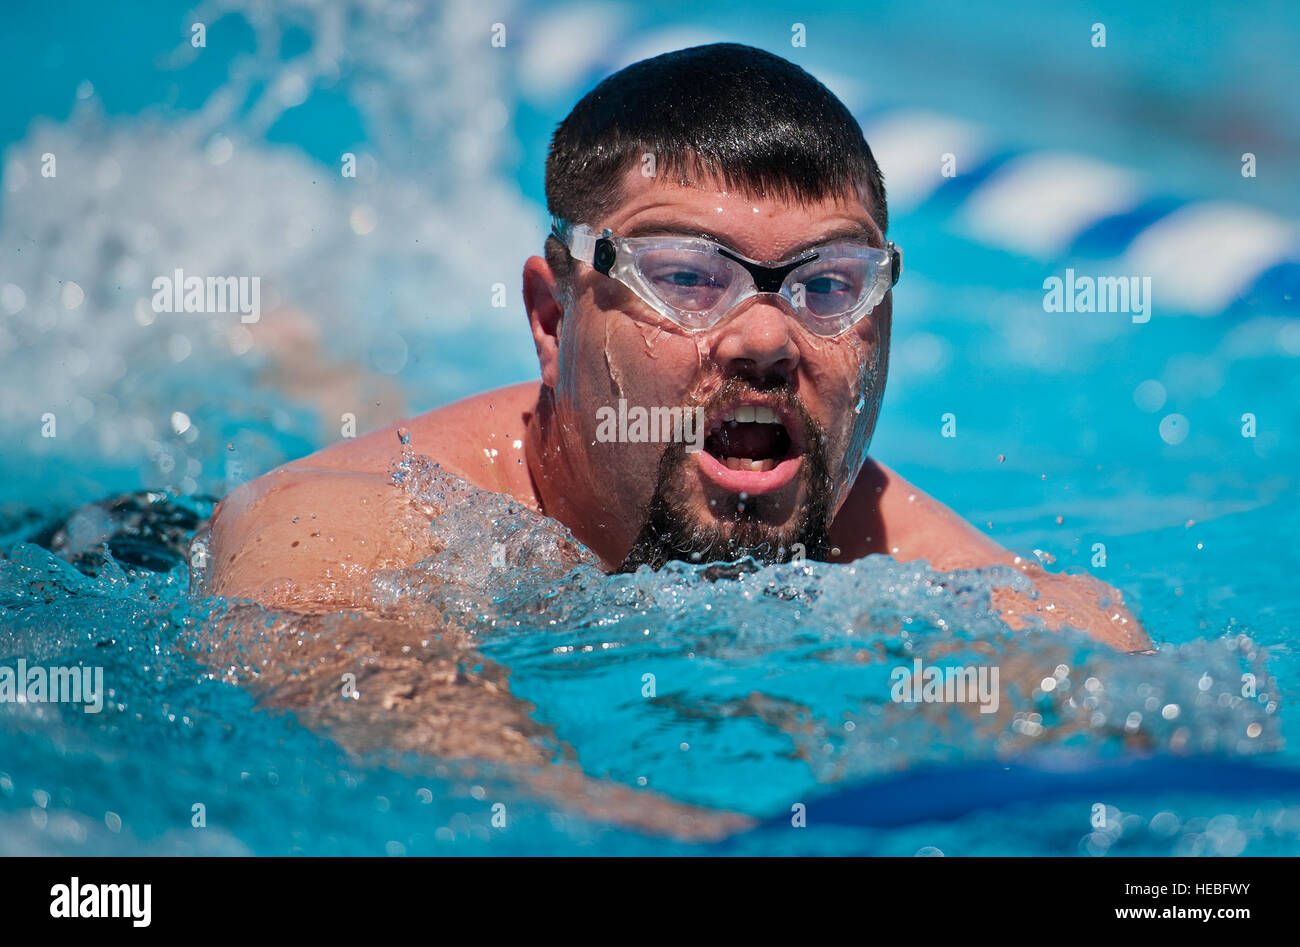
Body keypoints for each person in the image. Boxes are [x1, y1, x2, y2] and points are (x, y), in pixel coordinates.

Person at [208, 42, 1151, 655]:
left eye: (827, 286)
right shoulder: (342, 530)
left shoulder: (966, 592)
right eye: (691, 277)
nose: (768, 339)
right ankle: (285, 351)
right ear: (551, 318)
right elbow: (430, 743)